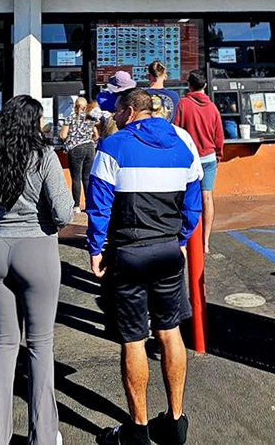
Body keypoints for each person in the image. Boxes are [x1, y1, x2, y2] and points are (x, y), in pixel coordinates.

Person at [86, 88, 202, 445]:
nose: (114, 118)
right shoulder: (184, 147)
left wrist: (94, 248)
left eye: (118, 112)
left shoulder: (114, 147)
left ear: (132, 111)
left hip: (129, 254)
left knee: (134, 340)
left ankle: (137, 431)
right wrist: (180, 241)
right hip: (168, 251)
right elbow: (193, 206)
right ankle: (176, 421)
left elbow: (99, 206)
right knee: (170, 333)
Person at [0, 95, 74, 445]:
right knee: (40, 347)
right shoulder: (44, 157)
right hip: (37, 251)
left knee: (4, 343)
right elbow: (64, 213)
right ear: (32, 123)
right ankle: (42, 435)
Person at [174, 70, 224, 254]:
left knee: (186, 199)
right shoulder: (212, 107)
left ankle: (185, 239)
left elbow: (177, 131)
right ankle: (206, 241)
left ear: (189, 85)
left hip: (189, 159)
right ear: (205, 85)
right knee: (207, 197)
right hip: (209, 157)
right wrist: (219, 155)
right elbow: (219, 136)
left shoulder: (183, 104)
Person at [59, 96, 98, 213]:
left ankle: (76, 205)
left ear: (75, 106)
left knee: (76, 178)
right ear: (86, 106)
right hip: (90, 148)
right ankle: (89, 203)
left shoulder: (70, 118)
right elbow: (96, 134)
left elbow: (63, 135)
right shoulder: (90, 118)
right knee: (87, 177)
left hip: (75, 148)